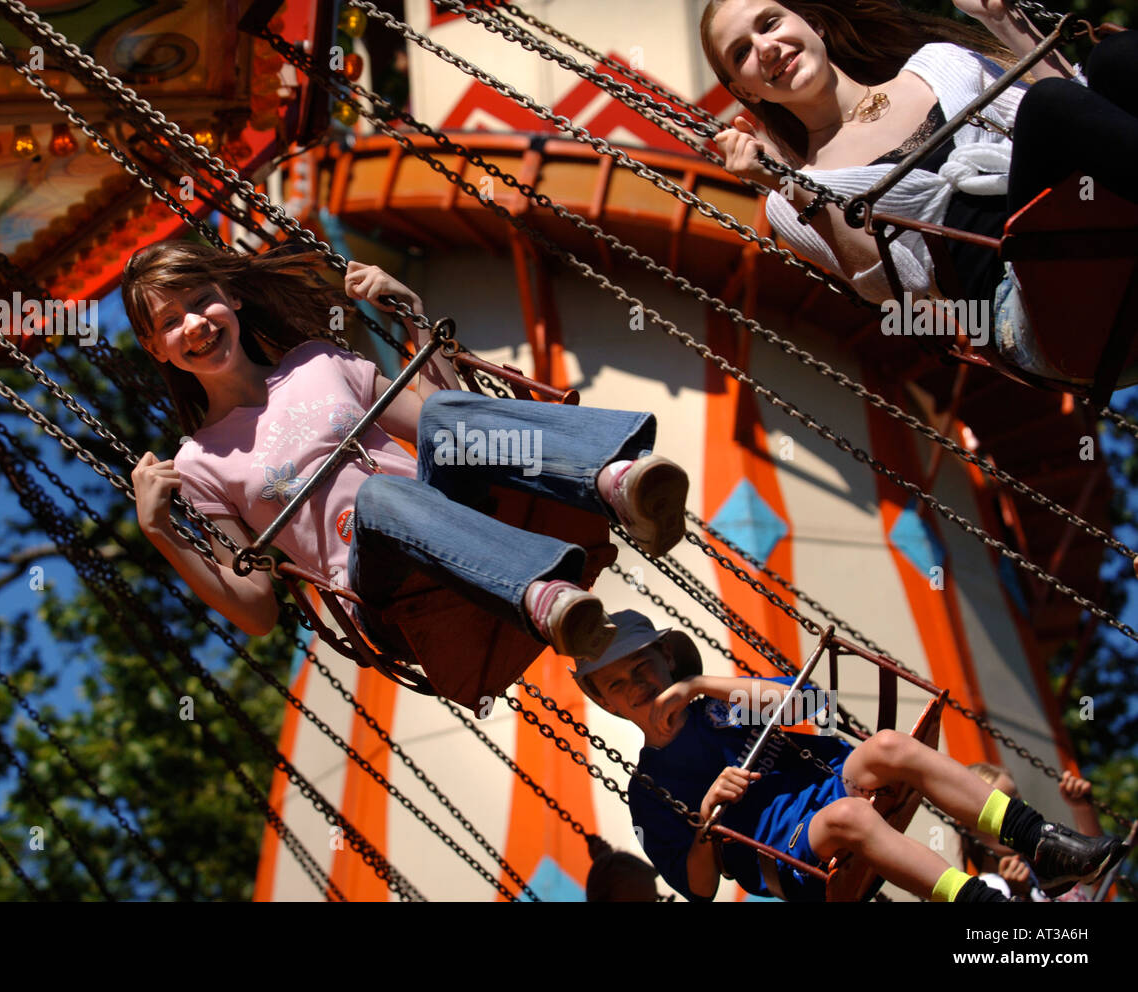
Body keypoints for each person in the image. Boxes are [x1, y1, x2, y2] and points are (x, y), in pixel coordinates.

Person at [124, 240, 690, 670]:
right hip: (384, 596)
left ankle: (617, 481)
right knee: (381, 496)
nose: (194, 324)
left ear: (233, 297)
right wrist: (161, 533)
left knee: (440, 416)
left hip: (457, 517)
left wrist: (415, 317)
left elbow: (451, 426)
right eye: (170, 322)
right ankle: (542, 595)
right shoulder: (200, 464)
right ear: (155, 349)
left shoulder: (319, 363)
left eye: (201, 302)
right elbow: (257, 610)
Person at [702, 0, 1138, 384]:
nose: (766, 48)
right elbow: (902, 293)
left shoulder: (940, 64)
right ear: (744, 90)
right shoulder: (794, 191)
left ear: (812, 24)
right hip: (1026, 308)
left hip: (1098, 225)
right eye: (741, 53)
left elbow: (1088, 114)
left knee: (1115, 59)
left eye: (770, 23)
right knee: (1047, 106)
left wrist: (1003, 21)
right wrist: (787, 183)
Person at [574, 609, 1127, 902]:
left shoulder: (717, 707)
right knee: (851, 816)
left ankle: (1040, 842)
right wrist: (704, 823)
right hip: (787, 854)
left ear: (667, 658)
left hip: (833, 780)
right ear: (604, 702)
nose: (636, 685)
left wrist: (699, 685)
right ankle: (980, 906)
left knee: (887, 745)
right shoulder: (648, 787)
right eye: (617, 684)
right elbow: (699, 887)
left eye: (642, 667)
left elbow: (813, 701)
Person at [963, 763, 1106, 901]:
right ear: (970, 828)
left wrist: (1083, 809)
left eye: (1016, 803)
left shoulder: (1045, 863)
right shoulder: (987, 888)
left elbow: (1099, 873)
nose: (1013, 817)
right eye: (998, 813)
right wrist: (1019, 894)